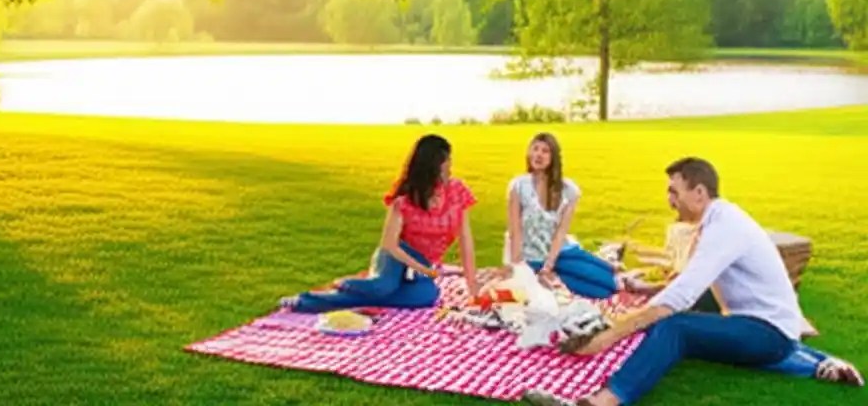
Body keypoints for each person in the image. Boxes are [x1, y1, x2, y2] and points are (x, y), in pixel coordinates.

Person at [522, 157, 862, 406]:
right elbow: (691, 280)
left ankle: (602, 402)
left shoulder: (725, 227)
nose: (669, 199)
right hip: (762, 326)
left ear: (699, 192)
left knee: (675, 326)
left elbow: (681, 296)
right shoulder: (718, 220)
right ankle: (818, 363)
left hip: (770, 334)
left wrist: (607, 337)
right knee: (667, 313)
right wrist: (648, 291)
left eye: (674, 191)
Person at [281, 134, 479, 313]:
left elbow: (466, 243)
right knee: (382, 287)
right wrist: (425, 270)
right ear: (433, 165)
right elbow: (389, 245)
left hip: (421, 263)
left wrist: (473, 292)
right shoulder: (405, 200)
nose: (451, 166)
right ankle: (313, 298)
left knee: (426, 296)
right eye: (447, 161)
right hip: (396, 255)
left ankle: (363, 294)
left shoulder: (457, 192)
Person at [505, 133, 618, 298]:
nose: (538, 154)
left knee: (609, 280)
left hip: (560, 253)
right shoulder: (518, 186)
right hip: (531, 257)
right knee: (601, 292)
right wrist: (518, 266)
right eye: (535, 149)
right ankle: (554, 278)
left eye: (545, 151)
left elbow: (561, 232)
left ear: (553, 157)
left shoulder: (568, 190)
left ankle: (607, 260)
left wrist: (548, 266)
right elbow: (514, 230)